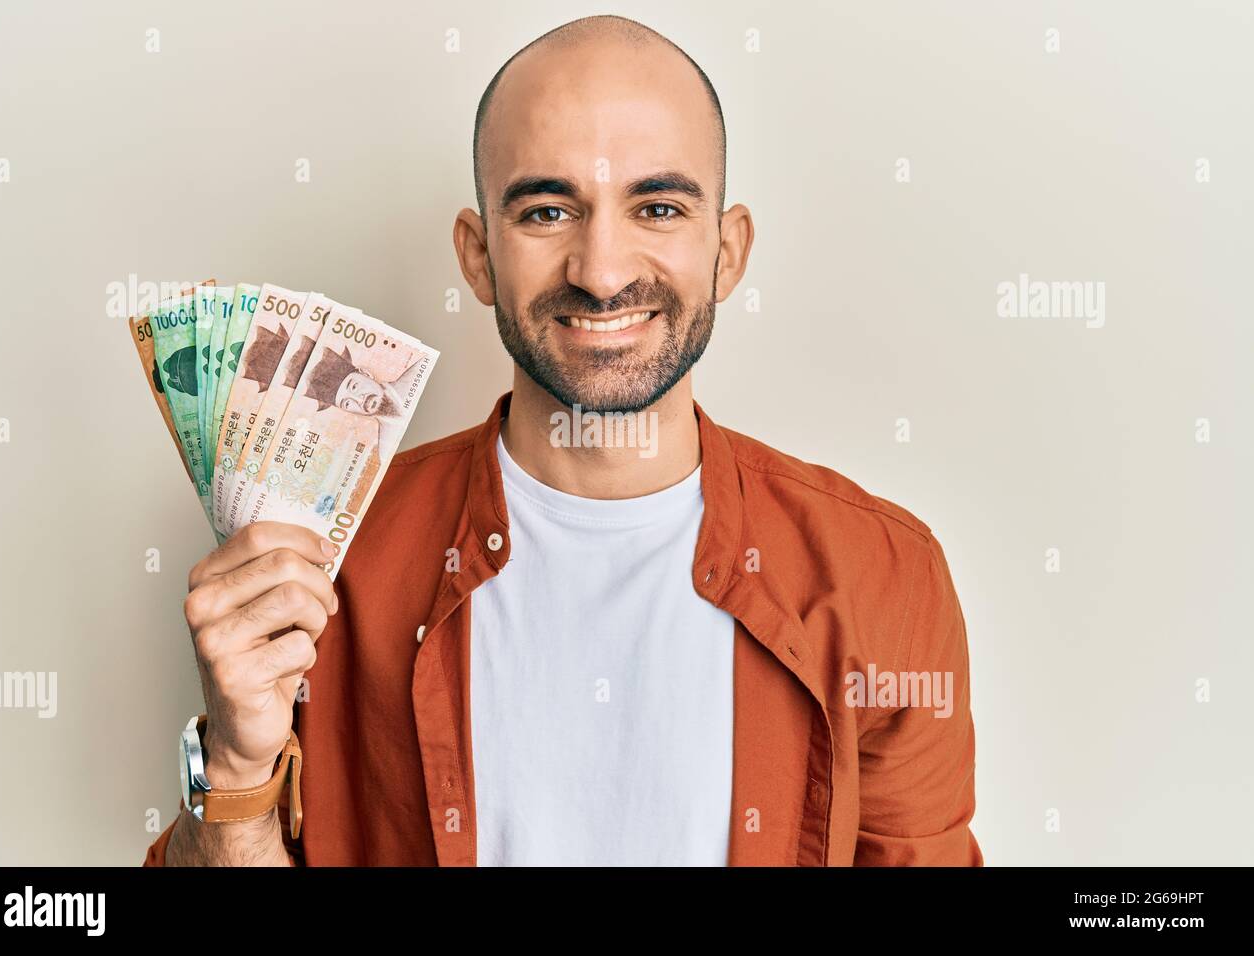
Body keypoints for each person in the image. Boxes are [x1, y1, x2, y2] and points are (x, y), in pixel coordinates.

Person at [146, 14, 982, 867]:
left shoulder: (883, 575)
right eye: (548, 211)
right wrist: (239, 775)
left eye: (657, 207)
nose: (603, 271)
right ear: (478, 257)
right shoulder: (327, 565)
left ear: (728, 253)